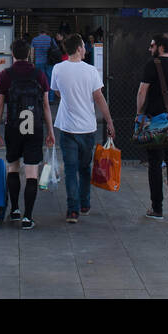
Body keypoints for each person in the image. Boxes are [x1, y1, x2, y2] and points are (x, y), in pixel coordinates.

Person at [50, 33, 115, 224]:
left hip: (67, 127)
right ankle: (85, 204)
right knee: (84, 168)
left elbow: (56, 91)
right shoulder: (91, 71)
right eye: (84, 46)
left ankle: (72, 211)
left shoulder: (58, 69)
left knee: (70, 169)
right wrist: (109, 121)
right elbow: (99, 98)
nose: (85, 49)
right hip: (87, 128)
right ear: (79, 48)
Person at [0, 38, 54, 229]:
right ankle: (28, 217)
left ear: (12, 54)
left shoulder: (5, 74)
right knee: (32, 172)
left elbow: (0, 105)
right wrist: (51, 131)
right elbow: (45, 106)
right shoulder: (39, 74)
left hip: (13, 127)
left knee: (13, 167)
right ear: (29, 54)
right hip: (34, 128)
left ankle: (15, 209)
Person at [135, 34, 168, 221]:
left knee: (155, 164)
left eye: (152, 46)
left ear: (161, 47)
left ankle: (157, 208)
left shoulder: (152, 64)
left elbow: (142, 91)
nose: (150, 49)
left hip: (154, 123)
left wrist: (139, 114)